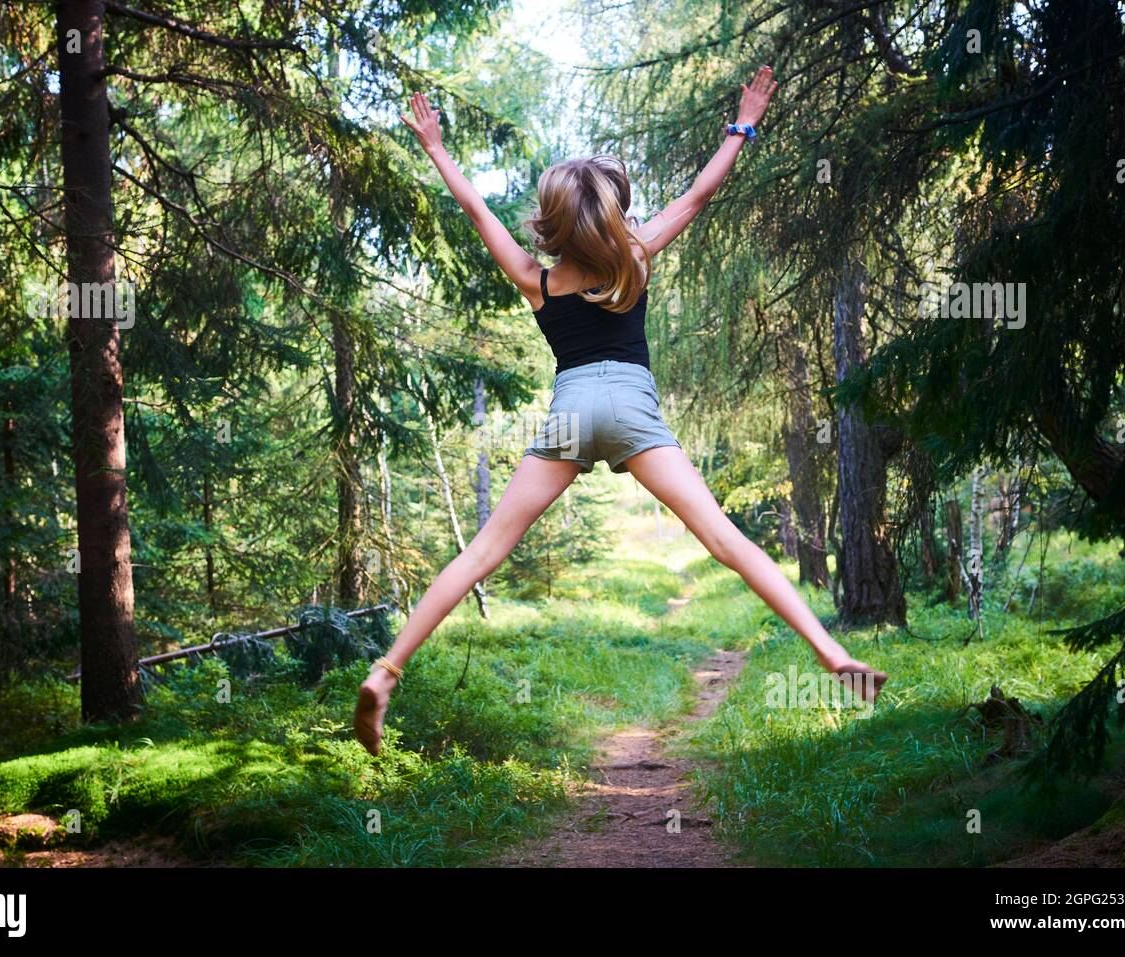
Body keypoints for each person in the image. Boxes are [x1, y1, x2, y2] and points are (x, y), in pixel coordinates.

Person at [355, 66, 887, 755]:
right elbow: (698, 196)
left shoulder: (536, 278)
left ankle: (387, 667)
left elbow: (476, 211)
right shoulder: (635, 257)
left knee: (486, 548)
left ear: (554, 221)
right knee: (723, 539)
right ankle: (829, 652)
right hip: (632, 411)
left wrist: (434, 146)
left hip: (573, 410)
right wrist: (742, 125)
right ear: (611, 216)